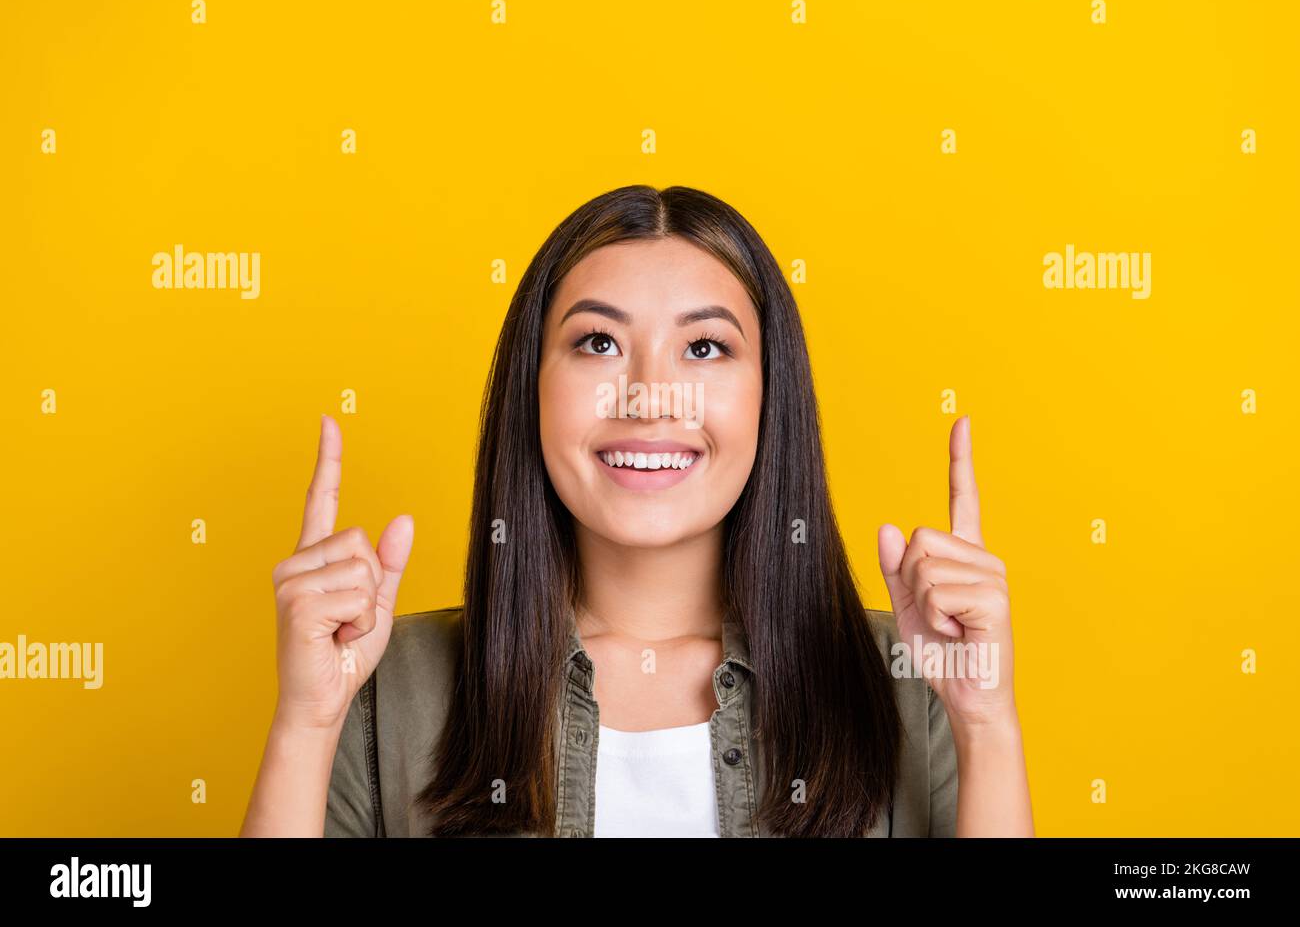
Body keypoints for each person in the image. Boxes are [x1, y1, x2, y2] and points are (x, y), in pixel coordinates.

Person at [239, 184, 1033, 837]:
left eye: (705, 348)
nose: (651, 394)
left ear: (770, 397)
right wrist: (306, 726)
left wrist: (987, 725)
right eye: (597, 344)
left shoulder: (908, 682)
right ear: (534, 391)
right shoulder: (387, 686)